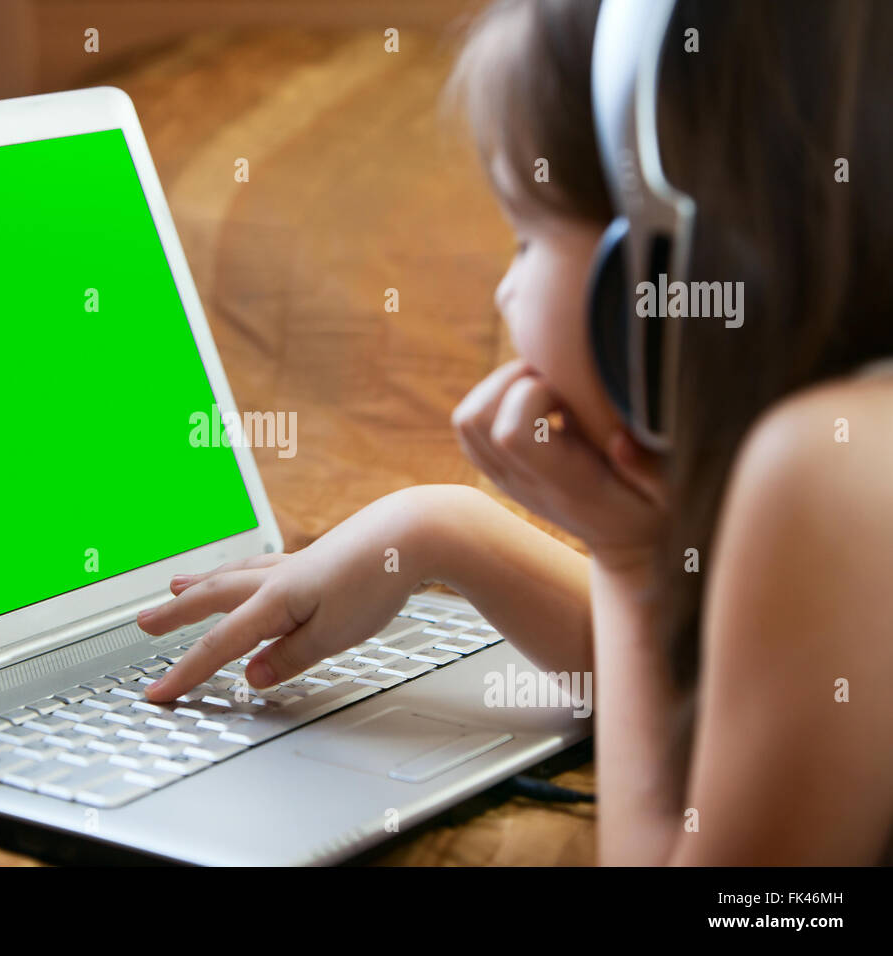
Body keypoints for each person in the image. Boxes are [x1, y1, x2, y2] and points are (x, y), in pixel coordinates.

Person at [135, 0, 893, 864]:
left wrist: (630, 559)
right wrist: (437, 530)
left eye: (527, 238)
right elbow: (719, 692)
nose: (503, 293)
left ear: (668, 256)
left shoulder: (831, 475)